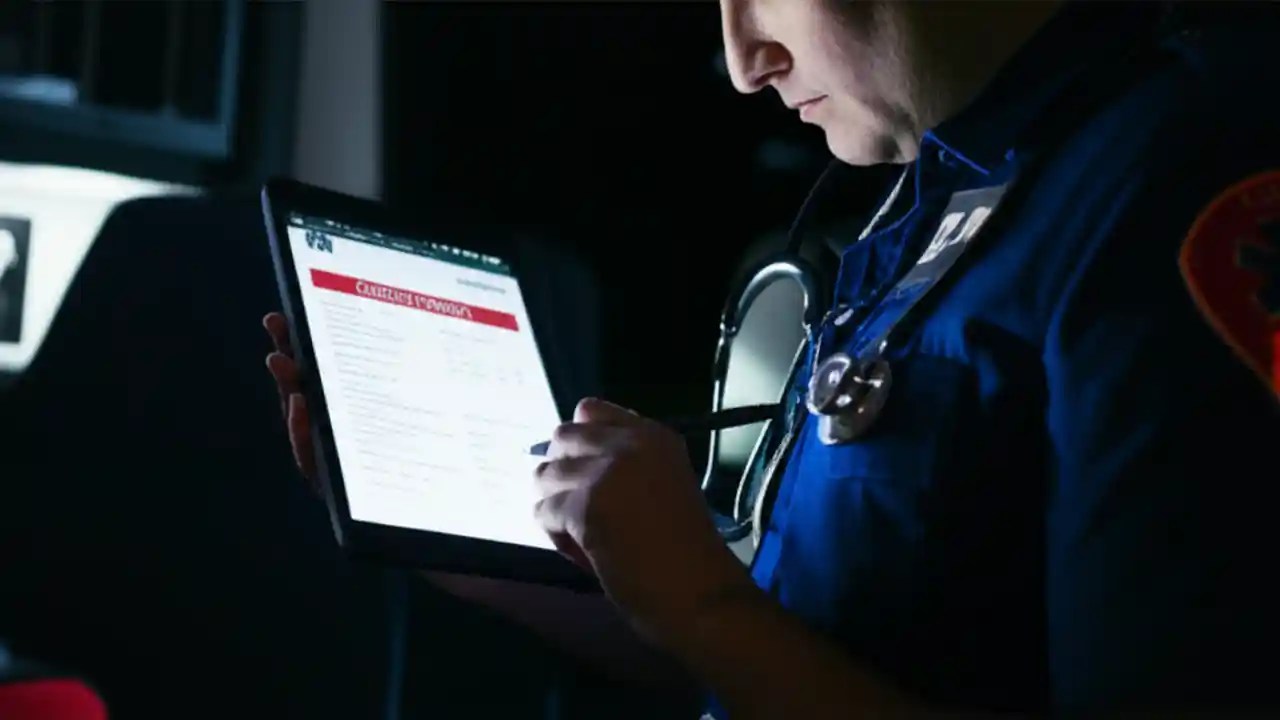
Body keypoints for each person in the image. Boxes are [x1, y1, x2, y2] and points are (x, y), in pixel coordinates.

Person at [266, 1, 1280, 717]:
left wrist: (701, 603)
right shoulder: (935, 194)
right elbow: (791, 659)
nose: (745, 56)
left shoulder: (1174, 186)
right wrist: (490, 559)